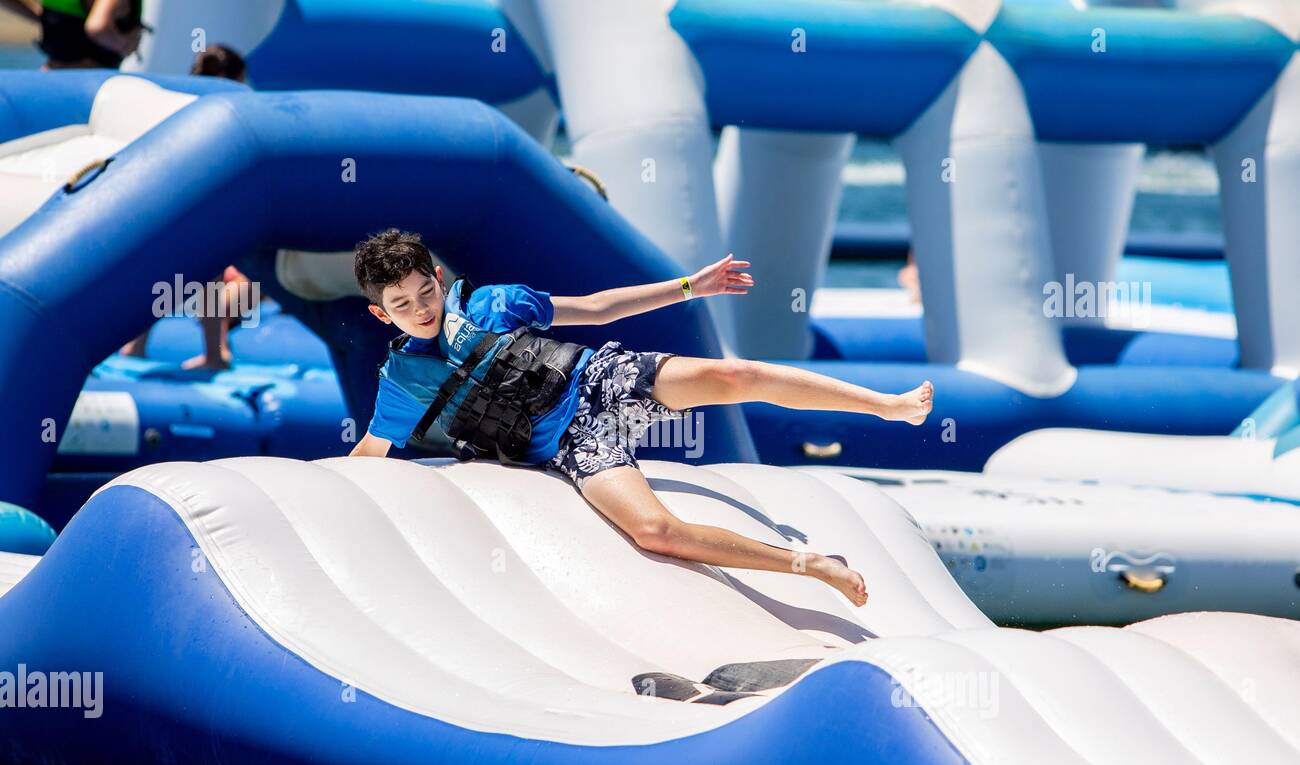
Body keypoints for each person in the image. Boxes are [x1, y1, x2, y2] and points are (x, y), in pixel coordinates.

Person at [349, 229, 935, 608]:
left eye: (425, 292)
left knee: (734, 376)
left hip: (598, 377)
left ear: (439, 280)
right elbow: (366, 459)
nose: (421, 310)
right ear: (381, 314)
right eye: (402, 305)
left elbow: (600, 308)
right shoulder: (402, 382)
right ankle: (811, 566)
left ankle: (887, 406)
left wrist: (691, 286)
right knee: (656, 532)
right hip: (571, 445)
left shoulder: (491, 303)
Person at [119, 44, 255, 369]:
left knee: (165, 270)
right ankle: (214, 352)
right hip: (202, 195)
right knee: (211, 272)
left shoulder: (177, 102)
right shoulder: (229, 107)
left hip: (163, 194)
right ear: (228, 77)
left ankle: (137, 343)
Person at [34, 0, 141, 70]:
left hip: (50, 73)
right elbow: (97, 28)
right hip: (88, 82)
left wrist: (41, 16)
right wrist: (125, 45)